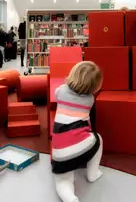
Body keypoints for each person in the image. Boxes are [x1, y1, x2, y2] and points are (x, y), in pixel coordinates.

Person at [51, 61, 103, 202]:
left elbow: (57, 95)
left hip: (60, 153)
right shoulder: (90, 100)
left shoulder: (60, 90)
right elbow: (89, 124)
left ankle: (70, 198)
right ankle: (92, 173)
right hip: (82, 144)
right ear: (95, 86)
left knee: (63, 182)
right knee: (98, 138)